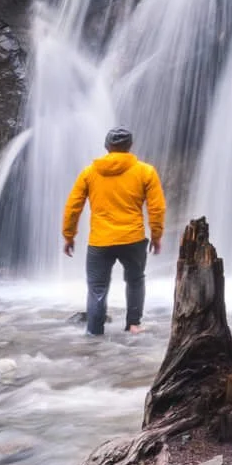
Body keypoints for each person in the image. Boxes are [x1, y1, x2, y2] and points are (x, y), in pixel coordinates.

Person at [62, 127, 166, 336]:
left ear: (107, 146)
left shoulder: (89, 173)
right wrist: (156, 235)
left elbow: (73, 206)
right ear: (130, 146)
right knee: (135, 281)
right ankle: (133, 324)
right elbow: (157, 208)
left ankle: (94, 331)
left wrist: (69, 235)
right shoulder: (145, 171)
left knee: (97, 288)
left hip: (100, 241)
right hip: (133, 238)